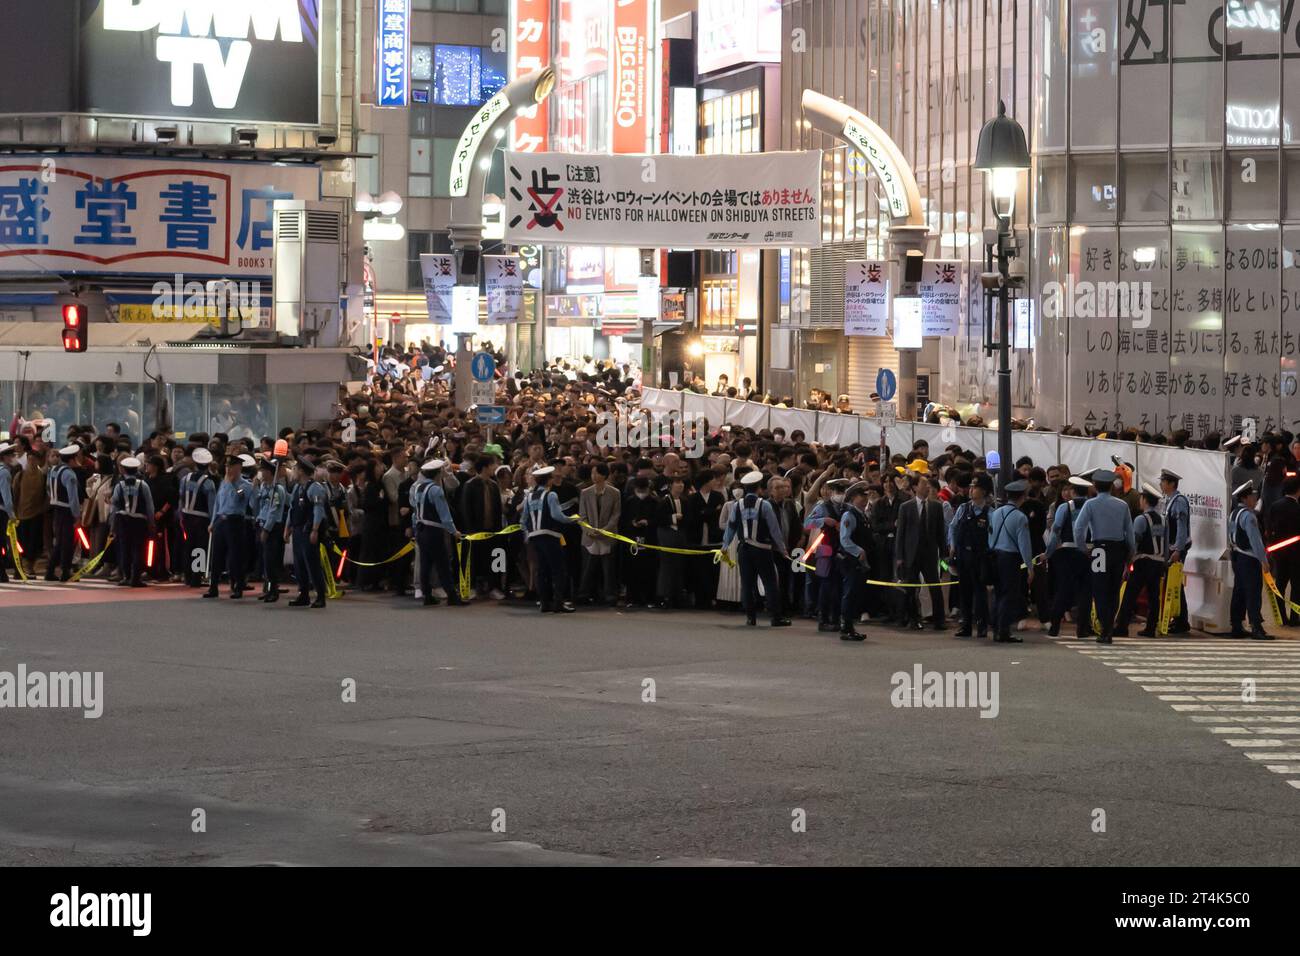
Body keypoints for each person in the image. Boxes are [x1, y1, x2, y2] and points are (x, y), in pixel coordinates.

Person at [1072, 470, 1135, 645]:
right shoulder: (1122, 505)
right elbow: (1129, 533)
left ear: (1095, 485)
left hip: (1099, 549)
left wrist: (1084, 548)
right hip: (1118, 550)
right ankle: (1109, 627)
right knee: (1114, 590)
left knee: (1099, 589)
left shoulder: (1090, 505)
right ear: (1111, 486)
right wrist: (1130, 555)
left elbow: (1078, 528)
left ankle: (1104, 628)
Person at [721, 471, 791, 627]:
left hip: (743, 549)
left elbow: (731, 527)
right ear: (759, 488)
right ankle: (776, 617)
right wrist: (782, 548)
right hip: (762, 549)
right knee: (770, 582)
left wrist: (725, 546)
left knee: (747, 583)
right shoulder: (764, 505)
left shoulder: (737, 505)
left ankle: (750, 617)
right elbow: (774, 530)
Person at [523, 464, 579, 612]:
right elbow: (556, 515)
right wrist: (572, 519)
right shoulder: (551, 495)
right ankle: (558, 603)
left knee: (542, 570)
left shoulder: (529, 497)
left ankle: (544, 603)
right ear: (548, 481)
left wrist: (528, 534)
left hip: (535, 537)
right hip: (550, 535)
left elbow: (524, 519)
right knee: (558, 570)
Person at [894, 475, 946, 630]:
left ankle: (939, 620)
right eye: (924, 485)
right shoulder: (906, 507)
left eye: (928, 485)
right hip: (911, 553)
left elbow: (940, 533)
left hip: (929, 554)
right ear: (915, 487)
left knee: (935, 587)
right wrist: (900, 557)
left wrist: (943, 553)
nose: (927, 487)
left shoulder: (936, 507)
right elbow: (901, 534)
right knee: (911, 588)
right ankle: (913, 619)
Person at [411, 458, 465, 607]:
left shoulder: (417, 487)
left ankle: (427, 594)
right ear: (437, 473)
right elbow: (445, 515)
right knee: (443, 563)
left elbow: (414, 509)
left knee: (425, 563)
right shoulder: (435, 490)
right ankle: (452, 595)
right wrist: (454, 531)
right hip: (434, 530)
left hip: (421, 528)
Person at [1045, 476, 1094, 639]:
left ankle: (1054, 627)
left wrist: (1049, 552)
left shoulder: (1064, 508)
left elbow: (1056, 530)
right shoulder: (1092, 506)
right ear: (1087, 491)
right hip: (1088, 553)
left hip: (1066, 552)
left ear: (1072, 491)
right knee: (1085, 592)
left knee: (1063, 590)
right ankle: (1082, 629)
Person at [1115, 483, 1166, 638]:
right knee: (1153, 596)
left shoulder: (1140, 519)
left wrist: (1128, 563)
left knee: (1130, 594)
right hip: (1158, 561)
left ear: (1144, 500)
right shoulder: (1163, 520)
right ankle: (1151, 628)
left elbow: (1133, 543)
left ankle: (1122, 627)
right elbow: (1166, 541)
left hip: (1143, 562)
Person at [989, 479, 1034, 643]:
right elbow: (1024, 544)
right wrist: (1029, 567)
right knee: (1009, 595)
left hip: (995, 556)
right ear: (1022, 497)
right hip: (1010, 559)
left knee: (998, 592)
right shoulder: (1020, 517)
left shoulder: (995, 513)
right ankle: (1004, 630)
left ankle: (995, 627)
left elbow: (990, 536)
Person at [1228, 481, 1275, 640]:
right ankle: (1256, 627)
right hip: (1249, 558)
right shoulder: (1249, 516)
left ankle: (1236, 625)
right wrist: (1264, 560)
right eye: (1253, 496)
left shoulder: (1234, 514)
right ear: (1246, 498)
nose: (1255, 498)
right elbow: (1255, 541)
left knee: (1239, 592)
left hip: (1237, 557)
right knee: (1253, 593)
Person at [949, 473, 993, 639]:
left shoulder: (990, 512)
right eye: (971, 487)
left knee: (980, 592)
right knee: (964, 591)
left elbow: (993, 534)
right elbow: (952, 528)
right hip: (962, 555)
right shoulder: (963, 508)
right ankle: (966, 625)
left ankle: (982, 625)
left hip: (980, 556)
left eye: (975, 487)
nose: (971, 490)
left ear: (984, 491)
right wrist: (952, 546)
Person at [204, 456, 253, 599]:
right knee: (216, 555)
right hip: (221, 520)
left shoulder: (245, 484)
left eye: (231, 466)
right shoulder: (223, 483)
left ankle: (238, 586)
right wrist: (213, 522)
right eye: (226, 466)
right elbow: (218, 505)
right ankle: (213, 587)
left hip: (235, 521)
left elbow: (241, 498)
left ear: (239, 468)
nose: (228, 469)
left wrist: (233, 484)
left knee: (235, 556)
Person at [578, 461, 621, 606]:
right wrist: (589, 530)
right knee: (587, 568)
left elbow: (616, 515)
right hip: (589, 536)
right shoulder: (585, 492)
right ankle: (584, 594)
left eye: (596, 473)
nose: (593, 476)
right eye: (592, 473)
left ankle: (610, 596)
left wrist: (604, 530)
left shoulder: (615, 493)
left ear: (603, 475)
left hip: (607, 535)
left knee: (609, 569)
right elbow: (582, 516)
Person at [287, 459, 328, 608]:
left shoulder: (314, 488)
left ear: (302, 471)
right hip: (298, 530)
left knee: (312, 564)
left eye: (295, 469)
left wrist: (315, 530)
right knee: (299, 564)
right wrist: (288, 528)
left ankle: (320, 596)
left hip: (308, 529)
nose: (293, 472)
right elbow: (292, 509)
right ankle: (303, 594)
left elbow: (318, 510)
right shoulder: (297, 488)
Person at [109, 457, 155, 588]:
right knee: (138, 549)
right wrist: (151, 522)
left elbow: (114, 505)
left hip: (122, 519)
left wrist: (112, 524)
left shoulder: (119, 485)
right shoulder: (143, 485)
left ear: (123, 470)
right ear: (136, 470)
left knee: (124, 548)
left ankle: (125, 576)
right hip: (139, 520)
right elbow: (149, 506)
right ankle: (136, 578)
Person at [836, 482, 872, 641]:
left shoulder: (860, 513)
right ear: (853, 498)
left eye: (866, 496)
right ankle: (846, 627)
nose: (865, 499)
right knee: (850, 593)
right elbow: (844, 539)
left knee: (855, 593)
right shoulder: (849, 514)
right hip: (852, 560)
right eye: (861, 496)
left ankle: (849, 625)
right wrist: (859, 551)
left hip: (858, 561)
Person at [1159, 469, 1192, 634]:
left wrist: (1178, 549)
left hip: (1177, 550)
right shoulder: (1169, 500)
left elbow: (1181, 528)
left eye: (1163, 481)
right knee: (1173, 584)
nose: (1161, 484)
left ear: (1171, 483)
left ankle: (1182, 620)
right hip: (1170, 549)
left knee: (1176, 584)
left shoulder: (1178, 501)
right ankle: (1178, 618)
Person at [179, 448, 216, 587]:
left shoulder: (185, 479)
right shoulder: (208, 482)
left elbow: (181, 498)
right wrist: (213, 521)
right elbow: (212, 505)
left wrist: (181, 515)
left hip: (187, 515)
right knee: (200, 548)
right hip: (202, 518)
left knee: (188, 546)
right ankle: (197, 577)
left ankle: (187, 576)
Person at [1266, 476, 1300, 626]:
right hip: (1297, 553)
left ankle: (1281, 616)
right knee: (1297, 586)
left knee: (1280, 583)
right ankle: (1295, 618)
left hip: (1279, 552)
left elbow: (1269, 527)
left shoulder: (1275, 506)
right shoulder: (1298, 508)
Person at [45, 444, 82, 581]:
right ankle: (65, 571)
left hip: (56, 508)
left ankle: (50, 571)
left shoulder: (54, 470)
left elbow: (48, 490)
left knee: (59, 542)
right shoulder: (69, 473)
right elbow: (73, 498)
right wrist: (77, 515)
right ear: (72, 459)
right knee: (67, 543)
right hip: (66, 510)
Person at [256, 458, 289, 602]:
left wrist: (266, 529)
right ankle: (268, 588)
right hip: (262, 523)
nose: (261, 473)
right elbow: (258, 505)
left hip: (272, 527)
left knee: (271, 560)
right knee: (265, 559)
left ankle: (274, 590)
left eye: (263, 470)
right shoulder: (264, 487)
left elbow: (274, 511)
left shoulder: (277, 489)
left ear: (269, 472)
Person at [0, 443, 15, 583]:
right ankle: (1, 573)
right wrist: (12, 514)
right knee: (1, 541)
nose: (13, 457)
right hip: (1, 511)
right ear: (4, 457)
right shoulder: (4, 472)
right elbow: (6, 496)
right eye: (11, 455)